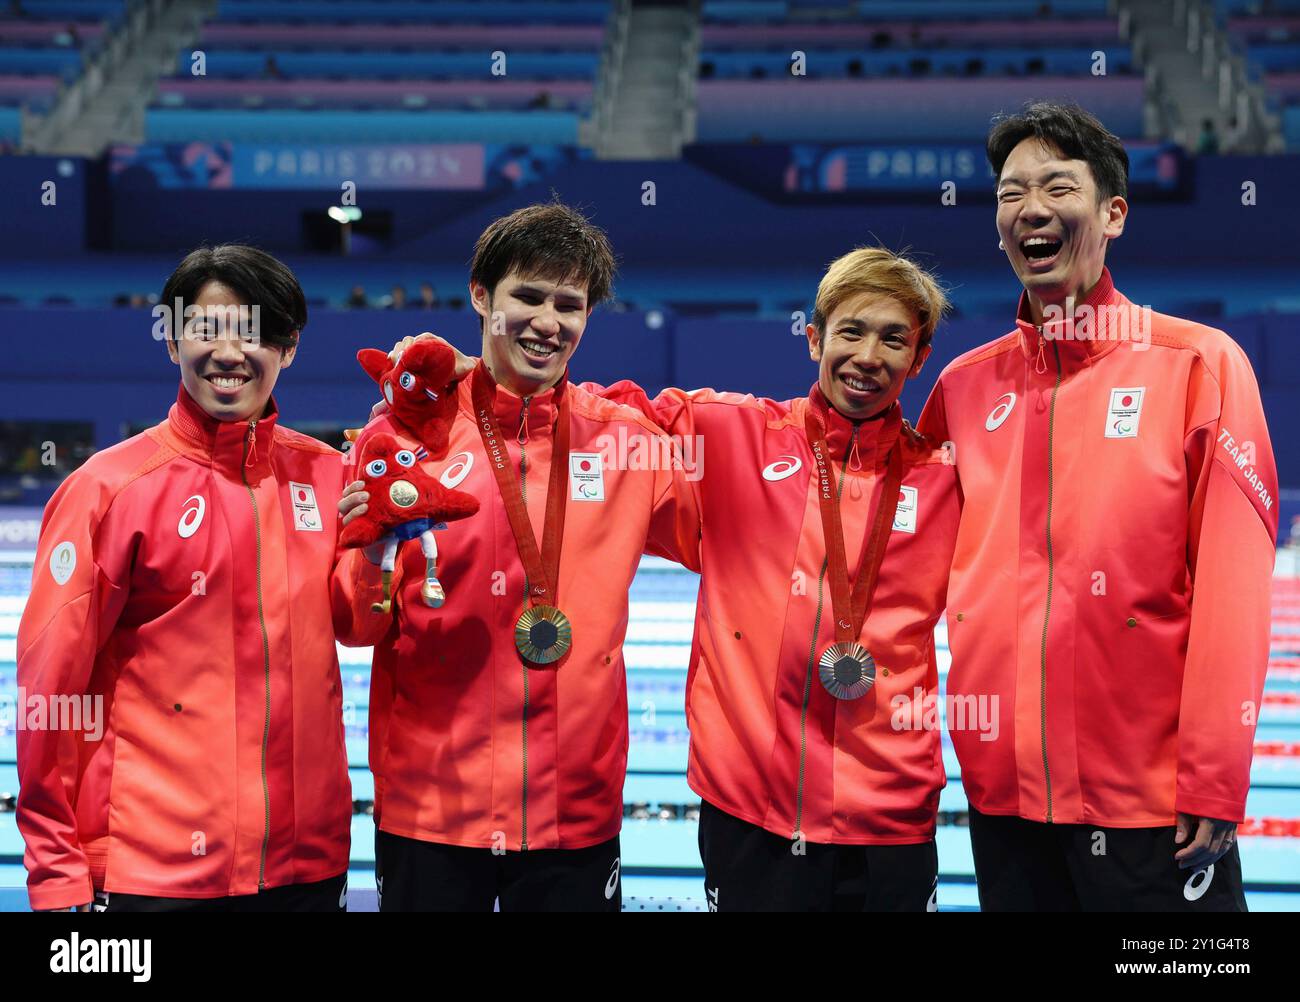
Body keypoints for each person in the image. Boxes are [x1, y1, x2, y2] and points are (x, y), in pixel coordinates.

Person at [400, 245, 961, 911]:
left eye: (893, 339)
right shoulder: (731, 436)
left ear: (919, 358)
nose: (869, 356)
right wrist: (474, 381)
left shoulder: (950, 479)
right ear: (813, 339)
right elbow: (594, 411)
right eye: (851, 331)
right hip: (750, 814)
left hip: (893, 818)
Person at [917, 101, 1278, 911]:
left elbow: (1234, 593)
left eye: (1056, 187)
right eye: (1010, 194)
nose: (1030, 210)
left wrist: (1214, 776)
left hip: (1152, 806)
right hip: (1005, 805)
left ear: (1114, 213)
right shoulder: (964, 388)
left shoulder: (1200, 367)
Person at [334, 202, 688, 912]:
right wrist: (370, 553)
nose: (548, 322)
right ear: (480, 297)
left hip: (573, 815)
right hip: (431, 809)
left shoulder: (627, 442)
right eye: (527, 297)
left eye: (570, 304)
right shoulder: (404, 436)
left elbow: (744, 537)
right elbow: (355, 625)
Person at [16, 245, 356, 912]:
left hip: (304, 867)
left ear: (289, 349)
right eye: (207, 330)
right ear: (172, 342)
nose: (231, 352)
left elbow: (364, 622)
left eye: (256, 332)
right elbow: (49, 690)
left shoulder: (326, 476)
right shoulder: (107, 489)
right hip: (154, 874)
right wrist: (57, 873)